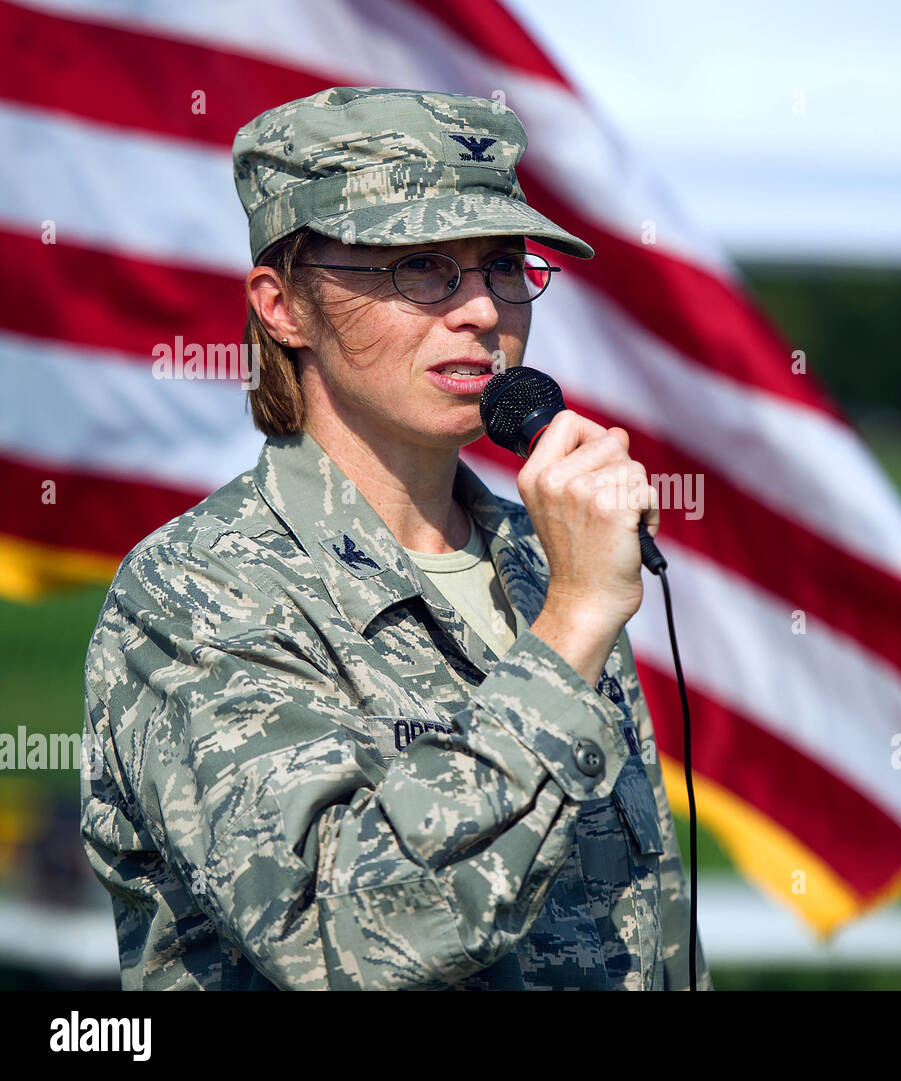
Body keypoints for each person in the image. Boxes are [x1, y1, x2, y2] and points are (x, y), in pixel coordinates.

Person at [80, 86, 711, 991]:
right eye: (419, 266)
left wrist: (568, 603)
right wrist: (572, 625)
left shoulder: (542, 562)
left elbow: (647, 929)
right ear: (282, 305)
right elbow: (345, 940)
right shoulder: (195, 590)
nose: (483, 312)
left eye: (501, 265)